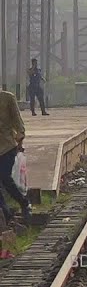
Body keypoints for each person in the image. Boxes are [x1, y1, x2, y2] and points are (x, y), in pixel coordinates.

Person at [0, 88, 29, 229]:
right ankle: (6, 215)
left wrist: (20, 140)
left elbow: (18, 121)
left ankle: (23, 202)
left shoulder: (7, 98)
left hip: (7, 146)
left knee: (5, 177)